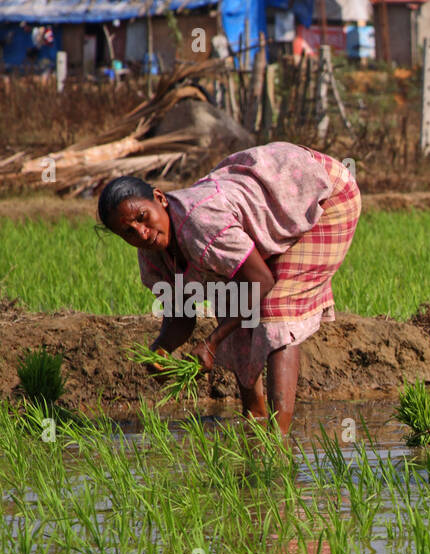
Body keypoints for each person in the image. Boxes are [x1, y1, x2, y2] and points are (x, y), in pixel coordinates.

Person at [98, 142, 360, 435]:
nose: (141, 233)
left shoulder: (200, 221)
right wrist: (162, 348)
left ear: (159, 199)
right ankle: (255, 419)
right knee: (231, 307)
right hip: (270, 203)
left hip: (320, 192)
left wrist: (211, 343)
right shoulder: (152, 255)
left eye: (142, 218)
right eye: (128, 232)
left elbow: (261, 281)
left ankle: (278, 440)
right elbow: (181, 316)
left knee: (275, 308)